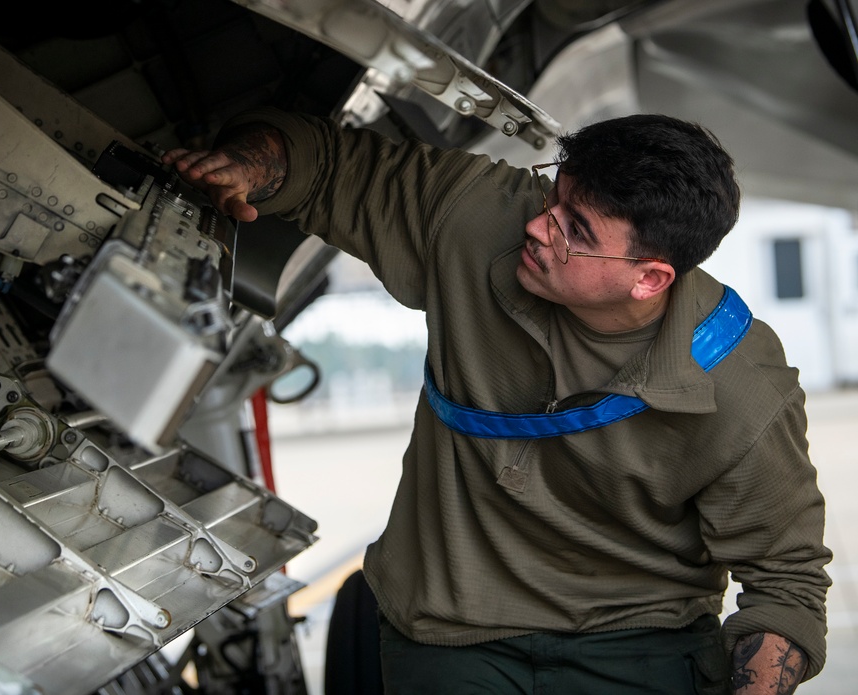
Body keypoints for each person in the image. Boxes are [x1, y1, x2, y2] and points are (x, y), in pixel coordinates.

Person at [161, 108, 832, 694]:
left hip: (636, 641)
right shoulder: (478, 215)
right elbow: (328, 163)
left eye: (577, 229)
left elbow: (786, 583)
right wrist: (245, 165)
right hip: (452, 634)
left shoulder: (743, 387)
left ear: (650, 278)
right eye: (555, 200)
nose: (541, 228)